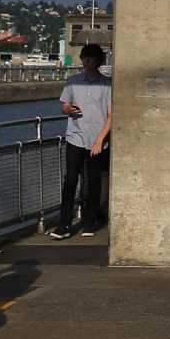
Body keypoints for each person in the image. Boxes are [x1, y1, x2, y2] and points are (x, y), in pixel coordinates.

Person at [48, 44, 111, 240]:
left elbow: (112, 115)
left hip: (97, 140)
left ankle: (89, 221)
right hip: (75, 137)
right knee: (70, 180)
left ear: (99, 61)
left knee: (93, 181)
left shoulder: (107, 85)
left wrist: (100, 139)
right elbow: (64, 106)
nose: (87, 61)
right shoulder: (73, 82)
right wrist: (68, 109)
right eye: (85, 58)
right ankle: (64, 224)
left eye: (91, 58)